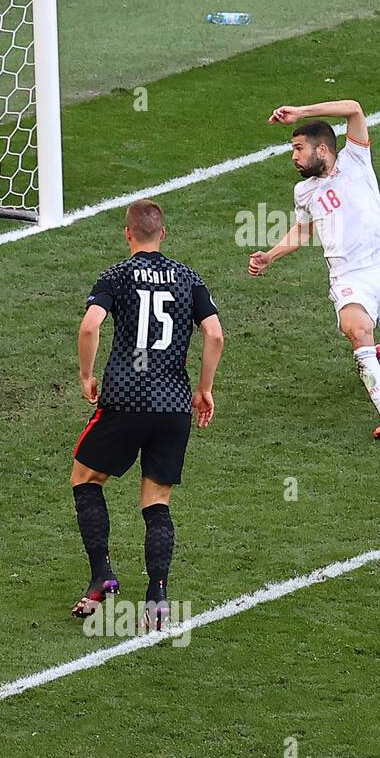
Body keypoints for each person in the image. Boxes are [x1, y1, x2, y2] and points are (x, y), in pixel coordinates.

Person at [69, 201, 224, 630]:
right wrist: (204, 389)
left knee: (86, 479)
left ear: (128, 234)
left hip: (125, 397)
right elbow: (214, 333)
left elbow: (89, 326)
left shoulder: (116, 276)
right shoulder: (188, 277)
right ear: (163, 233)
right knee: (156, 501)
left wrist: (86, 375)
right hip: (173, 404)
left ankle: (102, 575)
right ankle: (157, 598)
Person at [250, 99, 380, 439]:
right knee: (355, 330)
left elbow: (354, 109)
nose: (294, 156)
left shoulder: (355, 158)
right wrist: (271, 255)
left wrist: (300, 112)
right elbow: (303, 231)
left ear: (324, 149)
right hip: (348, 277)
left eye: (299, 148)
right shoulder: (303, 191)